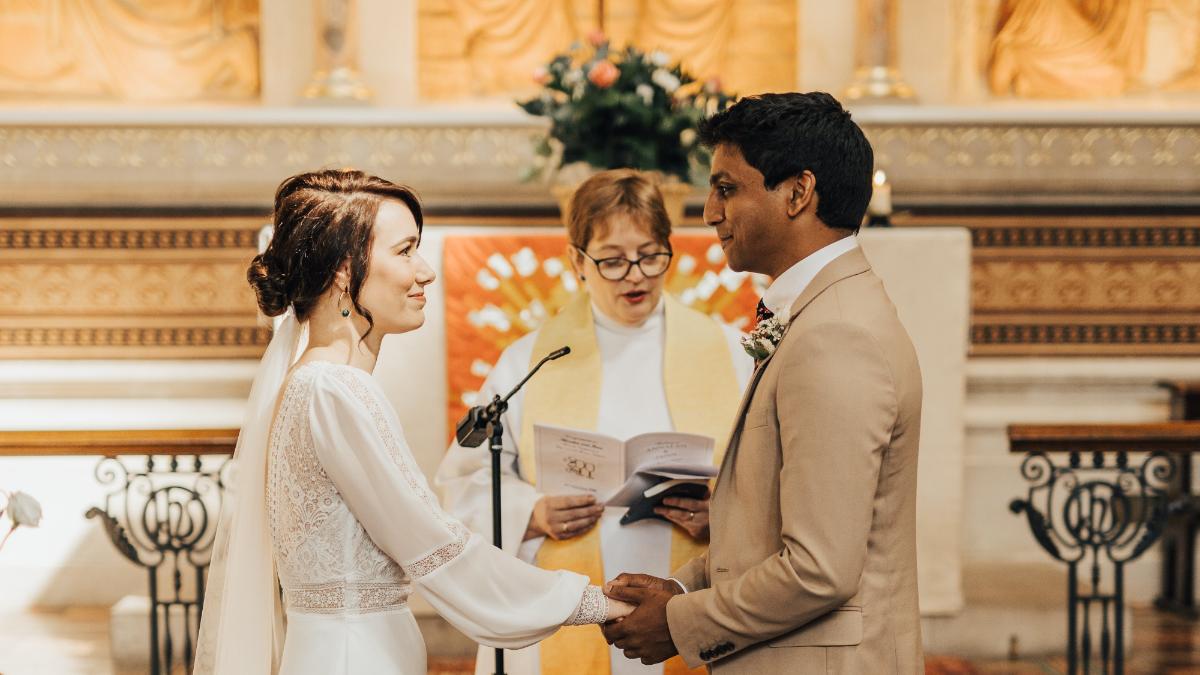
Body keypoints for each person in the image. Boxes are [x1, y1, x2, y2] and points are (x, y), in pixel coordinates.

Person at [193, 169, 632, 675]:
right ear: (342, 271)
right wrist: (595, 603)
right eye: (405, 251)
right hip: (354, 657)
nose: (426, 271)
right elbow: (435, 547)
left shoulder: (312, 384)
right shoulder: (335, 389)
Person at [602, 92, 924, 673]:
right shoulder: (821, 312)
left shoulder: (836, 335)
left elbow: (818, 568)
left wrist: (680, 624)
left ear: (797, 193)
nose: (708, 212)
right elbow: (775, 526)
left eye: (727, 188)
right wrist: (681, 589)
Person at [436, 169, 754, 675]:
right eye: (612, 261)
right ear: (576, 261)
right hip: (564, 608)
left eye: (651, 255)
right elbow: (465, 482)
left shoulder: (728, 353)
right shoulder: (529, 361)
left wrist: (724, 514)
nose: (636, 275)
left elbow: (767, 476)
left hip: (689, 601)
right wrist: (533, 512)